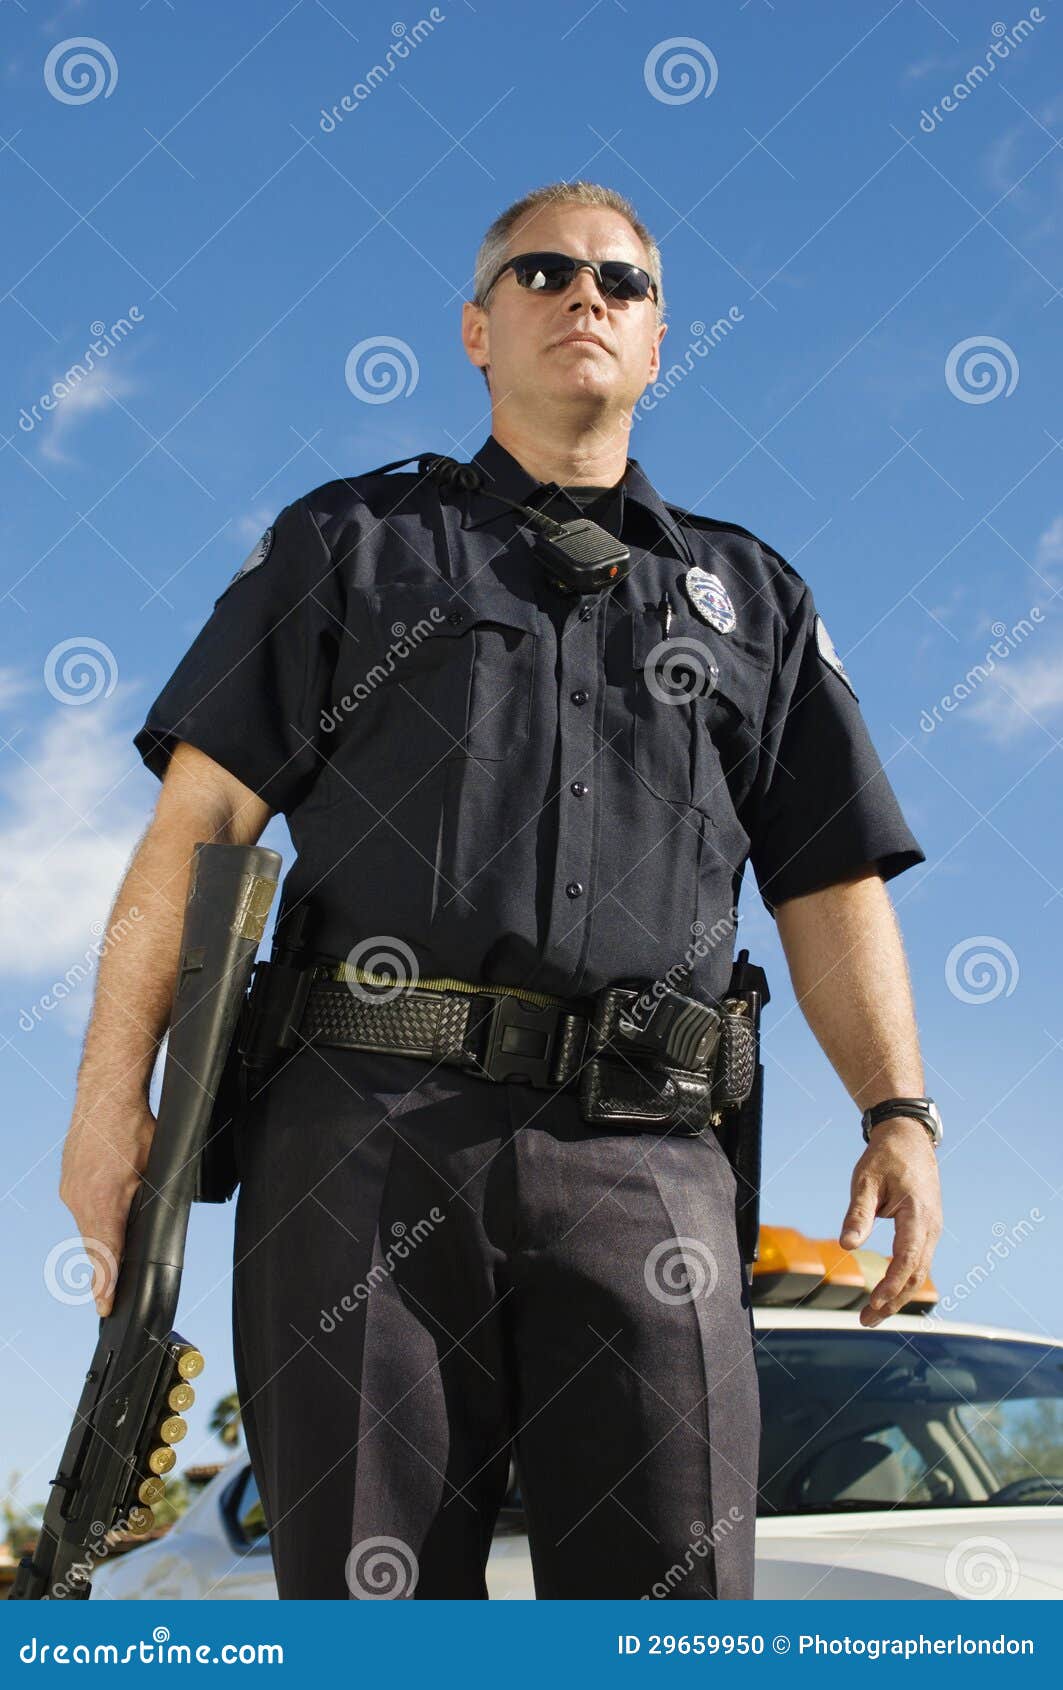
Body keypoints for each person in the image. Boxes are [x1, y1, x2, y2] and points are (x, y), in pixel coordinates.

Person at [59, 181, 943, 1600]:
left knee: (672, 1622)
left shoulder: (753, 599)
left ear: (658, 342)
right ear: (478, 328)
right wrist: (111, 1101)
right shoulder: (348, 545)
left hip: (652, 1156)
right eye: (542, 274)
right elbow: (196, 832)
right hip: (361, 1143)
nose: (584, 296)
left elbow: (829, 879)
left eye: (622, 282)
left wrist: (901, 1109)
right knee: (372, 1612)